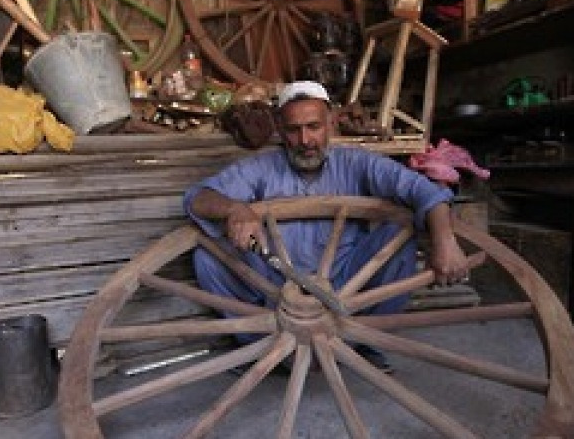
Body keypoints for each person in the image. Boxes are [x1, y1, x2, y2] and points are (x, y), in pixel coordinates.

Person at [183, 80, 472, 373]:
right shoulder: (261, 168)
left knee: (399, 237)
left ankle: (363, 343)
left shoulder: (357, 164)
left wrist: (445, 242)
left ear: (330, 124)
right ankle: (263, 348)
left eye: (314, 127)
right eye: (294, 130)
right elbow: (197, 198)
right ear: (281, 131)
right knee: (209, 256)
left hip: (346, 286)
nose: (305, 140)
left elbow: (424, 191)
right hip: (275, 285)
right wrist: (235, 208)